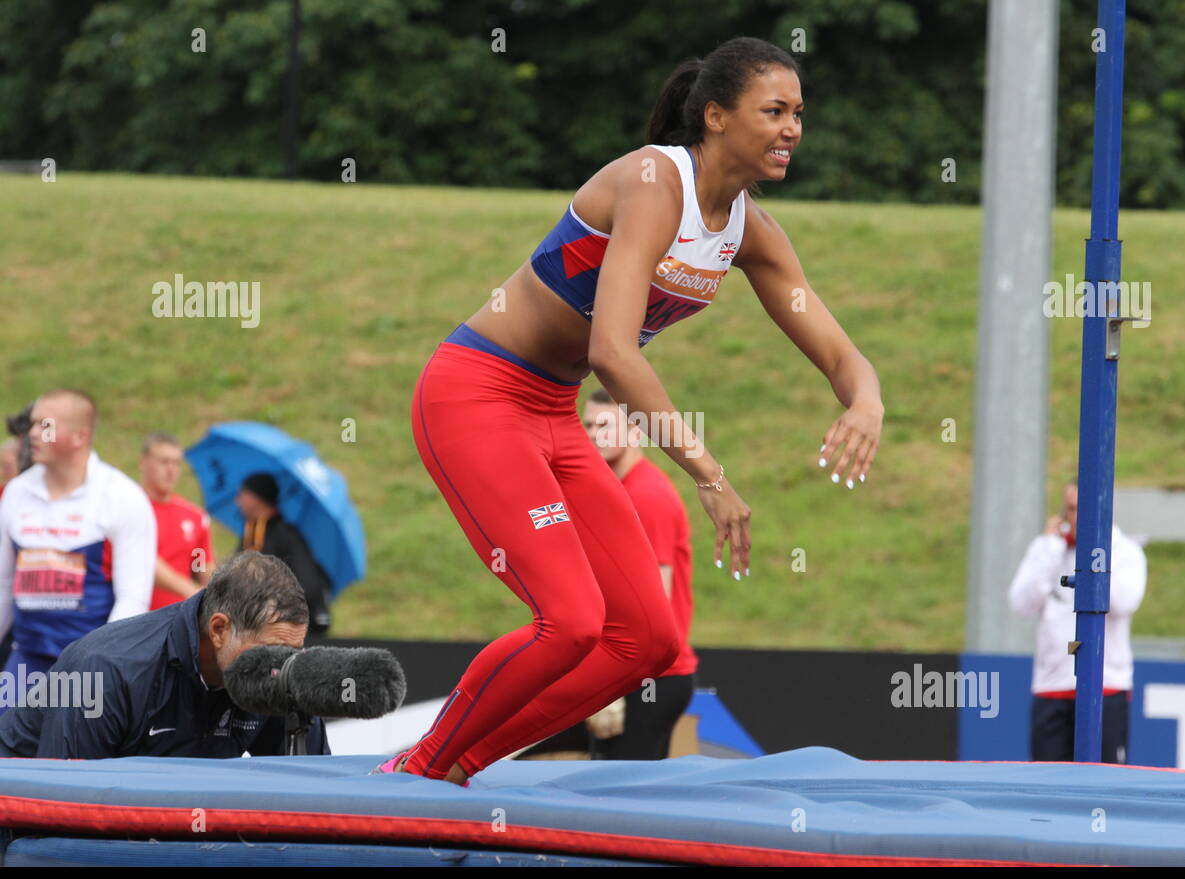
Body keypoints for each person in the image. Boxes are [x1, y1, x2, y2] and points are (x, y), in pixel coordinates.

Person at [379, 36, 884, 785]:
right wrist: (709, 474)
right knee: (571, 622)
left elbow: (841, 354)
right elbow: (614, 353)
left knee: (646, 640)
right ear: (716, 115)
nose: (792, 129)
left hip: (554, 412)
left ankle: (454, 765)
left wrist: (866, 400)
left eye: (798, 114)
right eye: (774, 111)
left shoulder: (750, 231)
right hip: (479, 395)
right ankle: (416, 772)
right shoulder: (654, 181)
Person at [0, 551, 330, 758]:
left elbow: (310, 797)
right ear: (218, 629)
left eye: (291, 653)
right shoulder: (103, 669)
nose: (278, 669)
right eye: (269, 652)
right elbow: (61, 814)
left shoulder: (277, 674)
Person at [0, 389, 156, 712]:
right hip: (26, 659)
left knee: (70, 745)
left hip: (89, 665)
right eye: (32, 424)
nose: (32, 434)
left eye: (44, 425)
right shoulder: (16, 493)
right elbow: (3, 586)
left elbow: (133, 599)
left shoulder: (122, 498)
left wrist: (104, 665)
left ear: (79, 436)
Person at [580, 389, 697, 759]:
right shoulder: (615, 490)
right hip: (635, 670)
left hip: (649, 677)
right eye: (588, 425)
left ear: (636, 430)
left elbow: (653, 608)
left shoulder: (646, 496)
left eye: (605, 425)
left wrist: (612, 686)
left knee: (616, 787)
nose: (594, 434)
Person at [1008, 478, 1147, 763]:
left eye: (1086, 508)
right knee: (1046, 782)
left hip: (1106, 686)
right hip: (1051, 686)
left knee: (1105, 778)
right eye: (1071, 509)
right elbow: (1021, 604)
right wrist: (1050, 549)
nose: (1078, 517)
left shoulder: (1125, 551)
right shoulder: (1048, 549)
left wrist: (1095, 557)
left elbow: (1124, 602)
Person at [235, 473, 333, 643]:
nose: (237, 500)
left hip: (287, 635)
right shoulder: (249, 534)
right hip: (254, 630)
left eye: (242, 494)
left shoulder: (286, 535)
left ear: (256, 497)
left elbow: (308, 586)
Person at [140, 432, 214, 609]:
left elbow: (200, 565)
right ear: (144, 463)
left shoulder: (195, 517)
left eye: (176, 463)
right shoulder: (129, 509)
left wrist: (216, 592)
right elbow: (143, 560)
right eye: (164, 462)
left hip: (179, 616)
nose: (171, 470)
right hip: (136, 615)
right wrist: (190, 590)